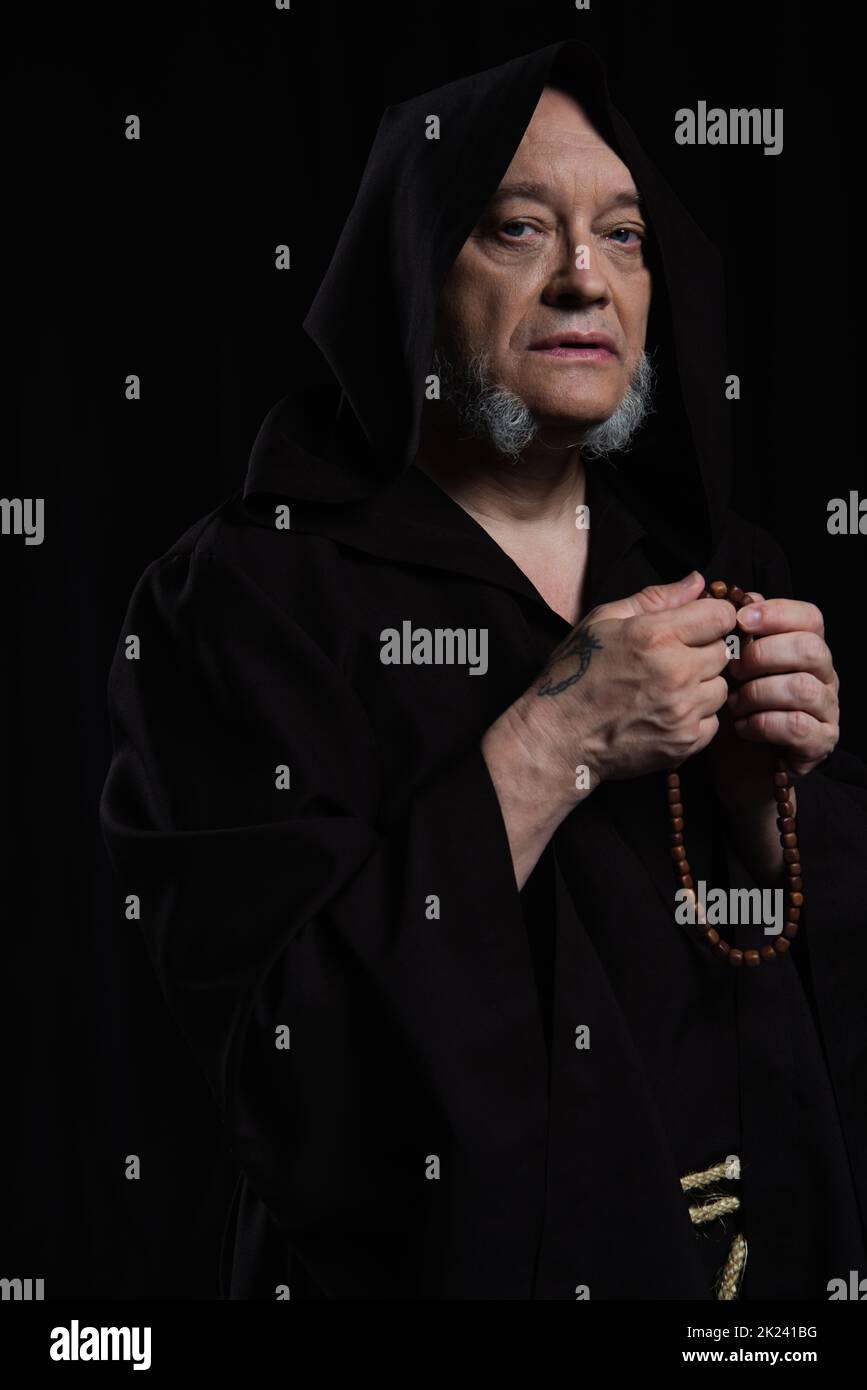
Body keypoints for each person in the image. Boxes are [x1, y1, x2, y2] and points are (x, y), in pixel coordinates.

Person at [99, 39, 867, 1300]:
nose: (585, 278)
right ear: (413, 274)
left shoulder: (714, 564)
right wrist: (556, 740)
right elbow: (283, 1061)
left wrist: (764, 809)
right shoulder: (243, 599)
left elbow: (807, 989)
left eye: (623, 236)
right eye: (518, 228)